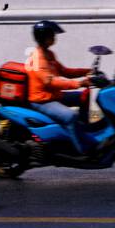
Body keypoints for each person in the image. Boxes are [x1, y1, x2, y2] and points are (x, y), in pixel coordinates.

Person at [26, 20, 94, 152]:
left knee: (84, 96)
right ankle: (81, 150)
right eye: (52, 35)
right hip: (43, 100)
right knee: (70, 116)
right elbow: (50, 81)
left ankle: (81, 130)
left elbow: (65, 71)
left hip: (53, 95)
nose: (54, 38)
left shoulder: (49, 54)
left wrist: (87, 71)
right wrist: (79, 83)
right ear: (43, 37)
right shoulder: (38, 58)